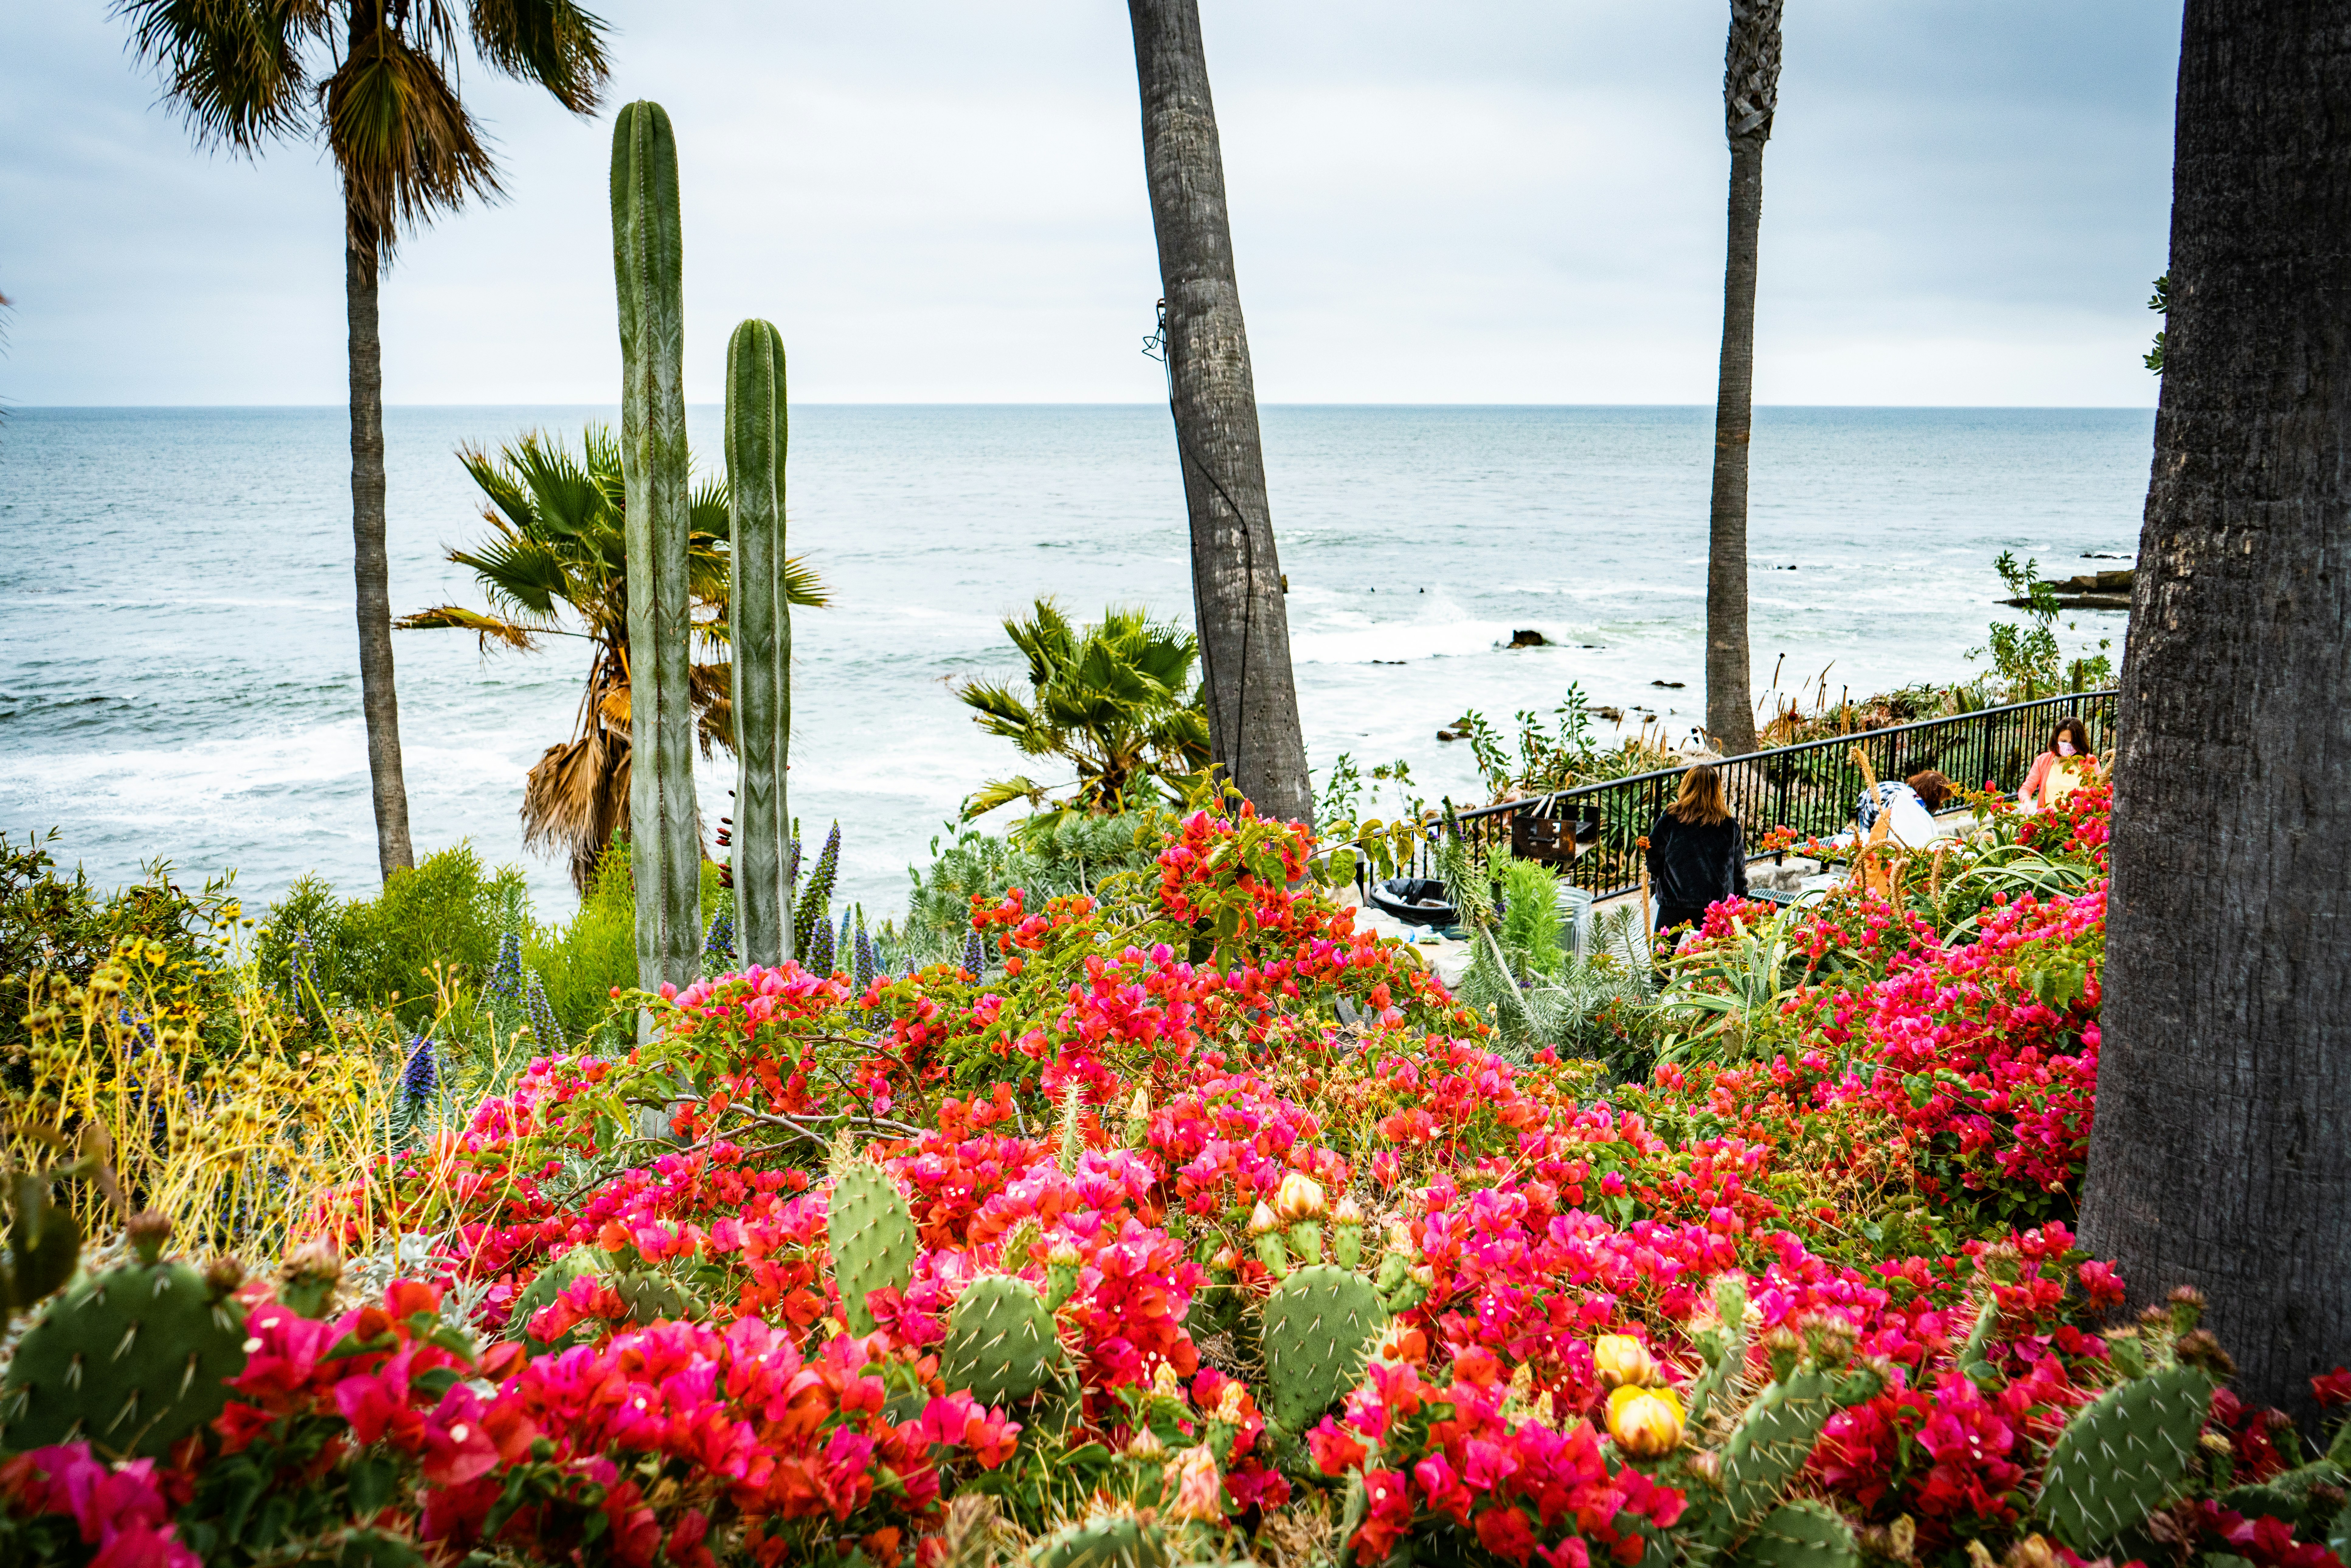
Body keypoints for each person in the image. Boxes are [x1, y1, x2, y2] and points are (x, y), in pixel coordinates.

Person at [1646, 763, 1747, 947]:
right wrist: (1739, 899)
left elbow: (1653, 858)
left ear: (1686, 786)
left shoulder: (1670, 820)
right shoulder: (1729, 826)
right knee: (1713, 964)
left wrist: (1660, 879)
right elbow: (1738, 870)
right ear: (1717, 791)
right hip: (1715, 907)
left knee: (1663, 959)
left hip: (1674, 903)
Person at [1855, 769, 1957, 848]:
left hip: (1878, 796)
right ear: (1933, 795)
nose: (1942, 803)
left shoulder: (1913, 796)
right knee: (1869, 839)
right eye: (1941, 799)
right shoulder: (1904, 803)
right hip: (1869, 801)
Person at [2019, 716, 2093, 812]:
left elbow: (2099, 792)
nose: (2068, 746)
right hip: (2050, 822)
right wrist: (2026, 801)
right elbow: (2026, 789)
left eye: (2073, 743)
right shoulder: (2043, 761)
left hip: (2080, 823)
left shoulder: (2090, 763)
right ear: (2056, 739)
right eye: (2064, 741)